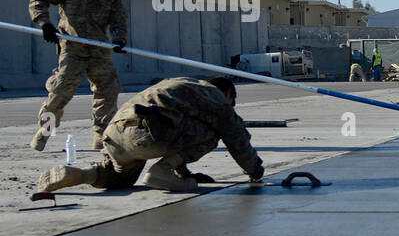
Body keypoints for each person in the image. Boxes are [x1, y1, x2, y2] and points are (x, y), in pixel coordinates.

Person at [35, 76, 263, 194]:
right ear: (229, 94)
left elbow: (179, 126)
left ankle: (83, 175)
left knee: (118, 178)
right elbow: (236, 136)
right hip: (148, 130)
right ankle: (161, 172)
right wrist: (255, 170)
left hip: (116, 134)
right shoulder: (215, 96)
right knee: (215, 131)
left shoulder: (182, 85)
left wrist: (184, 173)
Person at [28, 0, 128, 152]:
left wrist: (119, 40)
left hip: (99, 50)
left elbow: (119, 21)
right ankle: (45, 131)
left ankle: (101, 135)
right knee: (60, 92)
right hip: (72, 49)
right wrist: (45, 24)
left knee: (107, 91)